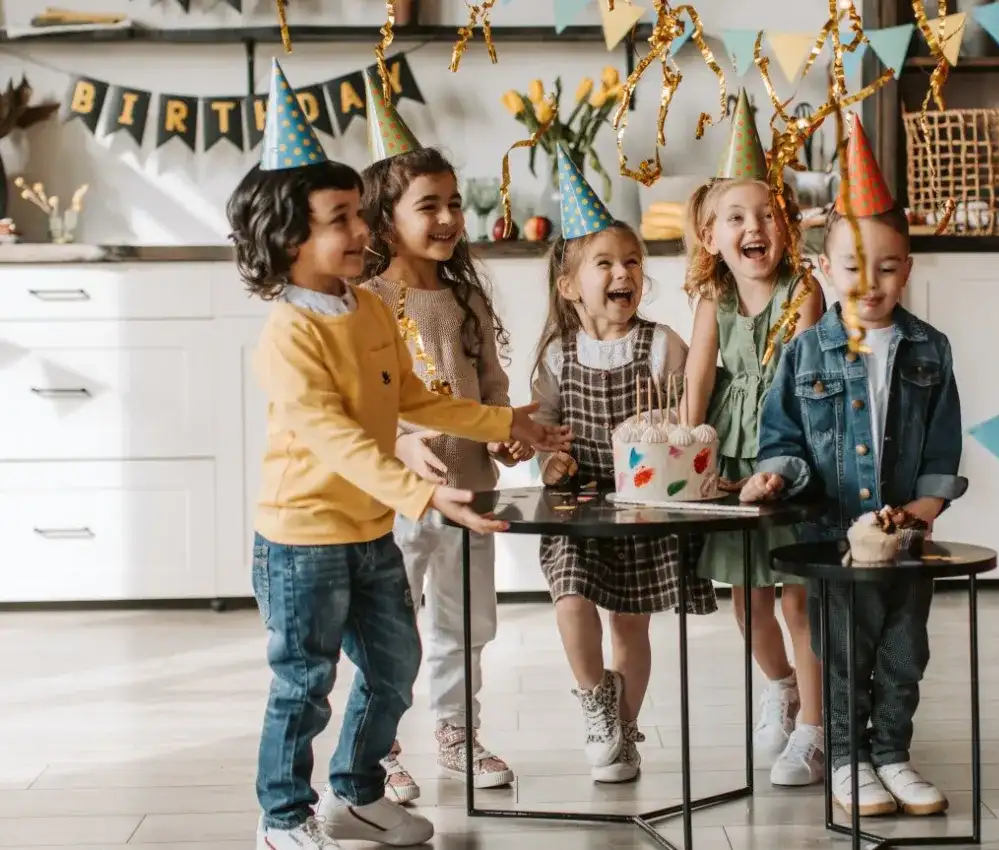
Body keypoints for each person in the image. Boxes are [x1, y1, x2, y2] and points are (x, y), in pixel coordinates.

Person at [234, 61, 571, 850]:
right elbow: (334, 435)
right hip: (302, 540)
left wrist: (503, 420)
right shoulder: (290, 333)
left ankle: (356, 794)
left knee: (394, 665)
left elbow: (411, 396)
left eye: (359, 214)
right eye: (342, 219)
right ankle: (282, 817)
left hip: (366, 531)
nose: (362, 231)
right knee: (304, 683)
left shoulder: (364, 308)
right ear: (289, 238)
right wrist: (423, 494)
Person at [738, 115, 967, 818]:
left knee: (904, 652)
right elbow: (783, 435)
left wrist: (926, 506)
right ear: (825, 268)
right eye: (854, 268)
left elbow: (942, 444)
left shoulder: (929, 349)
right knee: (840, 653)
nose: (870, 282)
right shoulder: (805, 351)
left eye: (888, 268)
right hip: (833, 539)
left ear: (908, 268)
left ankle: (891, 753)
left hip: (905, 543)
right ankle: (846, 759)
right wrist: (777, 474)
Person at [357, 75, 526, 800]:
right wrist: (399, 441)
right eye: (428, 205)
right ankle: (379, 749)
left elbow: (490, 386)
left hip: (472, 489)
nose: (450, 216)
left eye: (454, 202)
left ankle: (457, 734)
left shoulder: (464, 297)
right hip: (396, 497)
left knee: (467, 622)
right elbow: (363, 401)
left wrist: (506, 435)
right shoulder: (365, 302)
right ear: (383, 220)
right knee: (389, 626)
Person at [531, 146, 717, 783]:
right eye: (605, 263)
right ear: (570, 287)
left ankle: (624, 729)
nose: (623, 273)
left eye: (632, 262)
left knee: (630, 625)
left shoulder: (662, 345)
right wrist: (549, 461)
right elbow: (543, 428)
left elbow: (687, 420)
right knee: (569, 594)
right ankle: (595, 701)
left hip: (643, 505)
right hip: (578, 505)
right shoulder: (557, 354)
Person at [683, 89, 826, 786]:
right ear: (711, 235)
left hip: (788, 457)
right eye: (736, 217)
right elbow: (697, 377)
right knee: (745, 598)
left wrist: (784, 463)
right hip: (729, 463)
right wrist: (688, 452)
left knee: (798, 597)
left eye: (767, 214)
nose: (754, 227)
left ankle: (815, 729)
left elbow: (804, 382)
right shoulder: (713, 298)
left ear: (787, 226)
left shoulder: (804, 293)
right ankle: (781, 686)